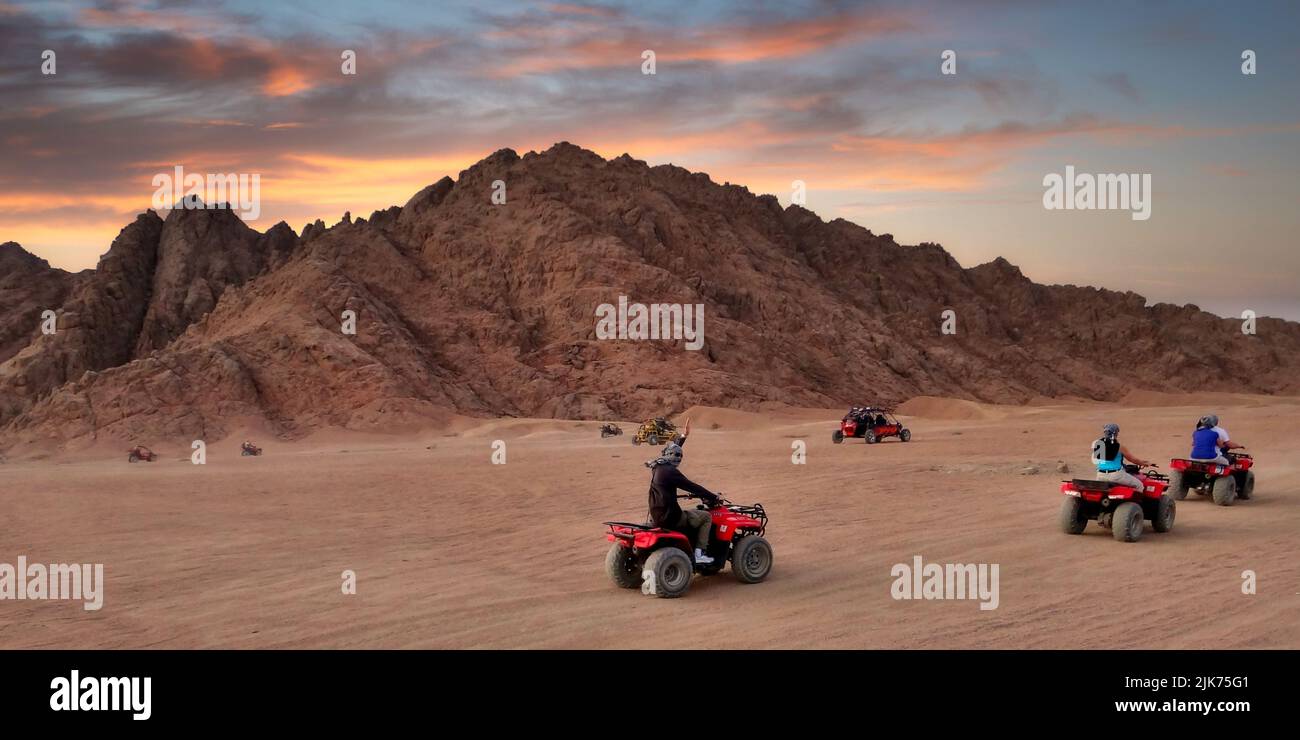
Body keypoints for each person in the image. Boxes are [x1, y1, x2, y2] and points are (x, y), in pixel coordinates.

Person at [645, 417, 721, 564]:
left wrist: (683, 437)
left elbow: (670, 451)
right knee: (705, 517)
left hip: (656, 515)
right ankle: (699, 553)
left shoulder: (657, 467)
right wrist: (713, 497)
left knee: (692, 514)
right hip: (671, 518)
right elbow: (692, 486)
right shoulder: (671, 472)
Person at [1091, 423, 1152, 490]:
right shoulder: (1119, 447)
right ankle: (1135, 500)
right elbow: (1132, 460)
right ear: (1116, 433)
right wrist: (1144, 463)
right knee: (1139, 485)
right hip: (1115, 475)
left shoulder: (1098, 444)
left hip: (1100, 475)